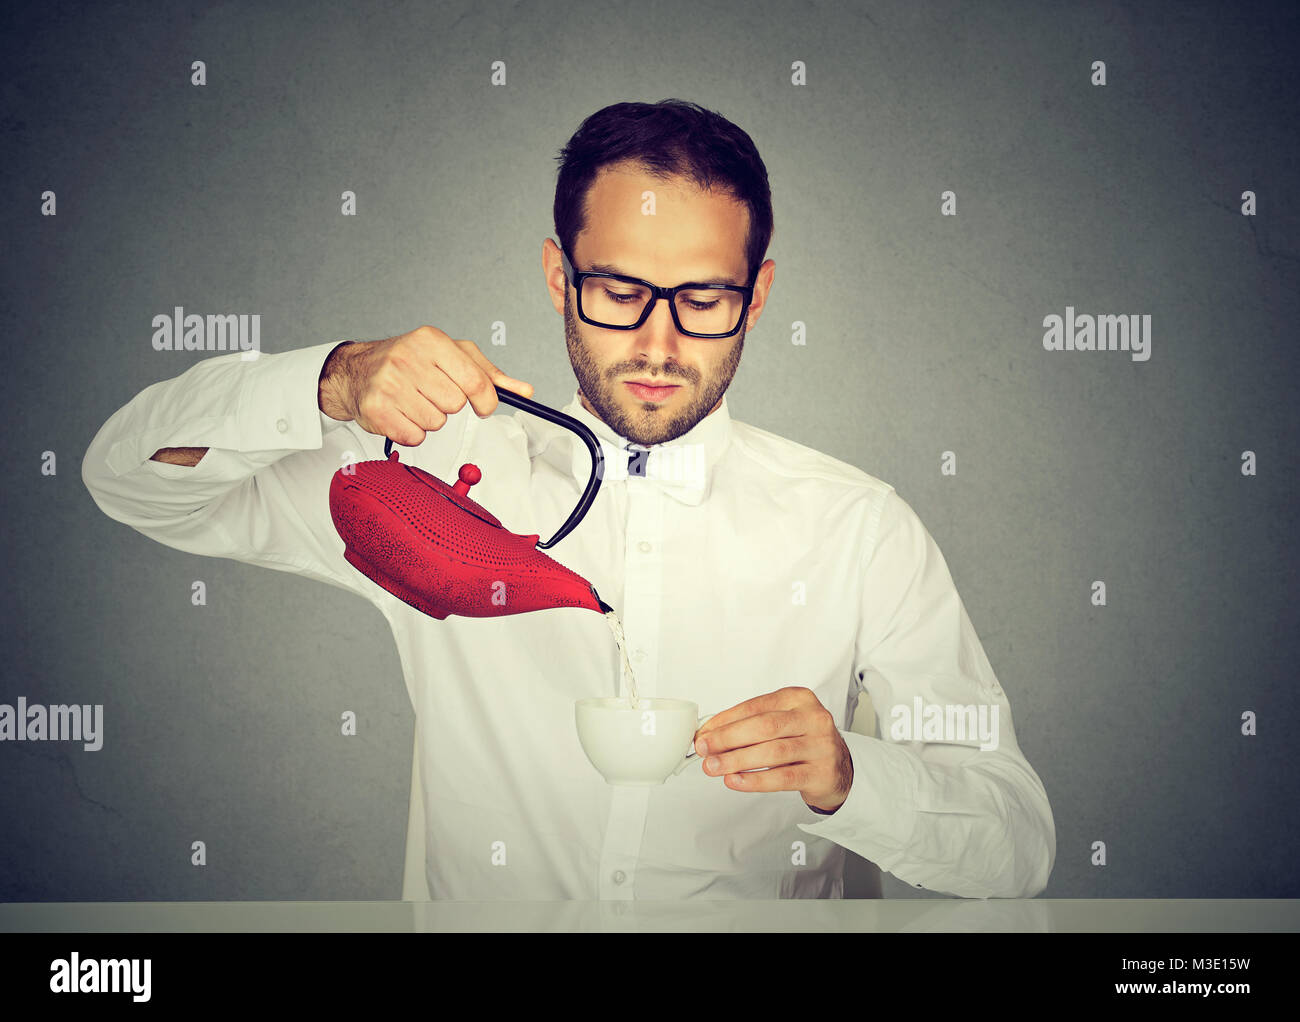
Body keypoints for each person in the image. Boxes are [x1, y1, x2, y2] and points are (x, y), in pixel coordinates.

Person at [82, 98, 1055, 900]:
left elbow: (1015, 846)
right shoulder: (428, 472)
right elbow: (126, 474)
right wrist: (330, 380)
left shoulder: (857, 527)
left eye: (704, 297)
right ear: (559, 275)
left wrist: (851, 777)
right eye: (619, 289)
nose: (660, 343)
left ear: (755, 296)